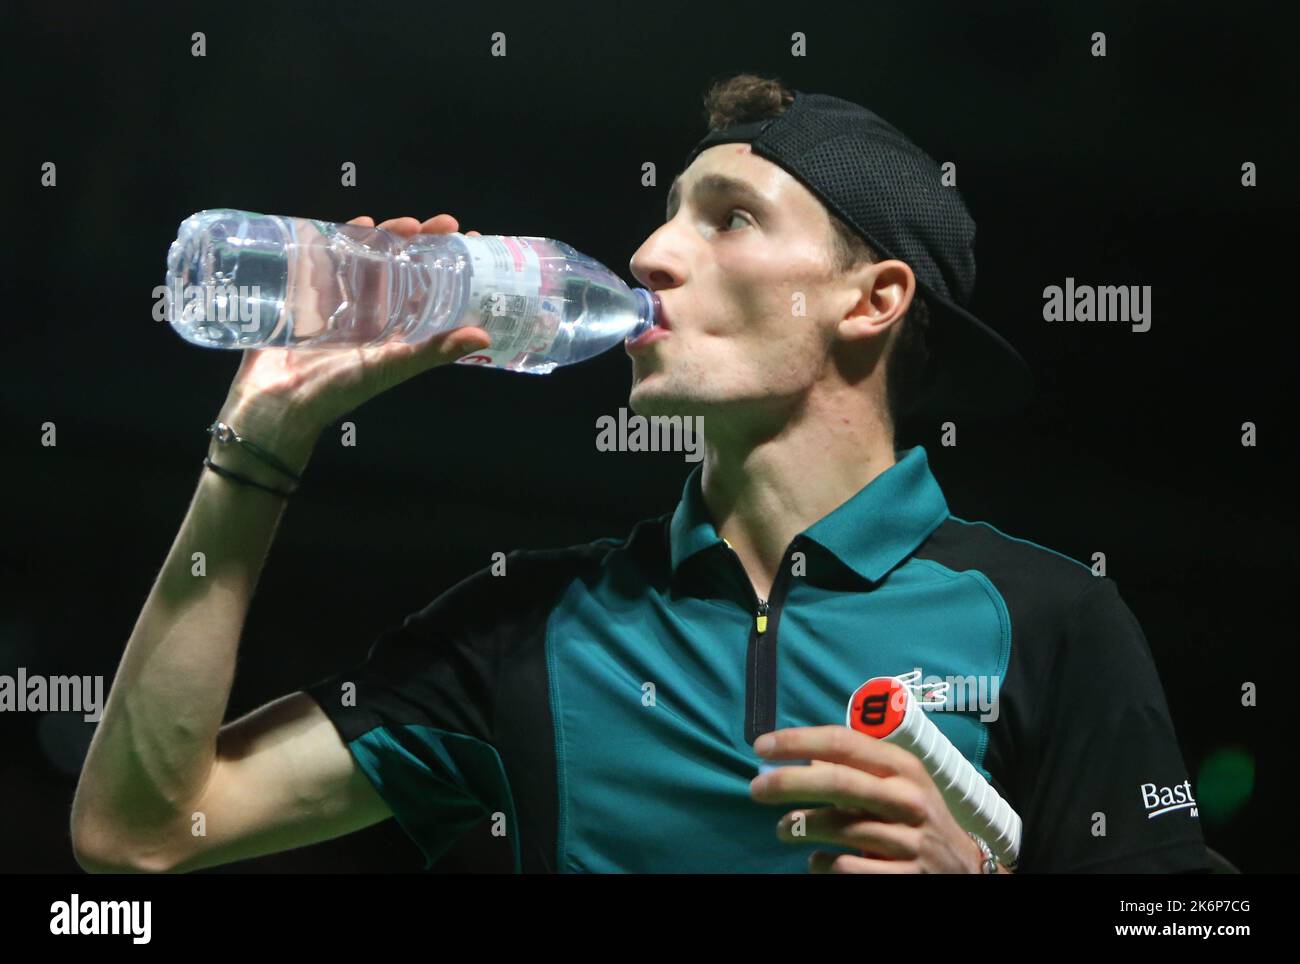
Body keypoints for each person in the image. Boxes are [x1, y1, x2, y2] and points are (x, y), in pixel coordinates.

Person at [72, 74, 1209, 874]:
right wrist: (260, 443)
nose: (654, 255)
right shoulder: (527, 628)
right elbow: (143, 832)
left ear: (871, 301)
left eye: (729, 219)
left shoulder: (1049, 615)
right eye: (667, 217)